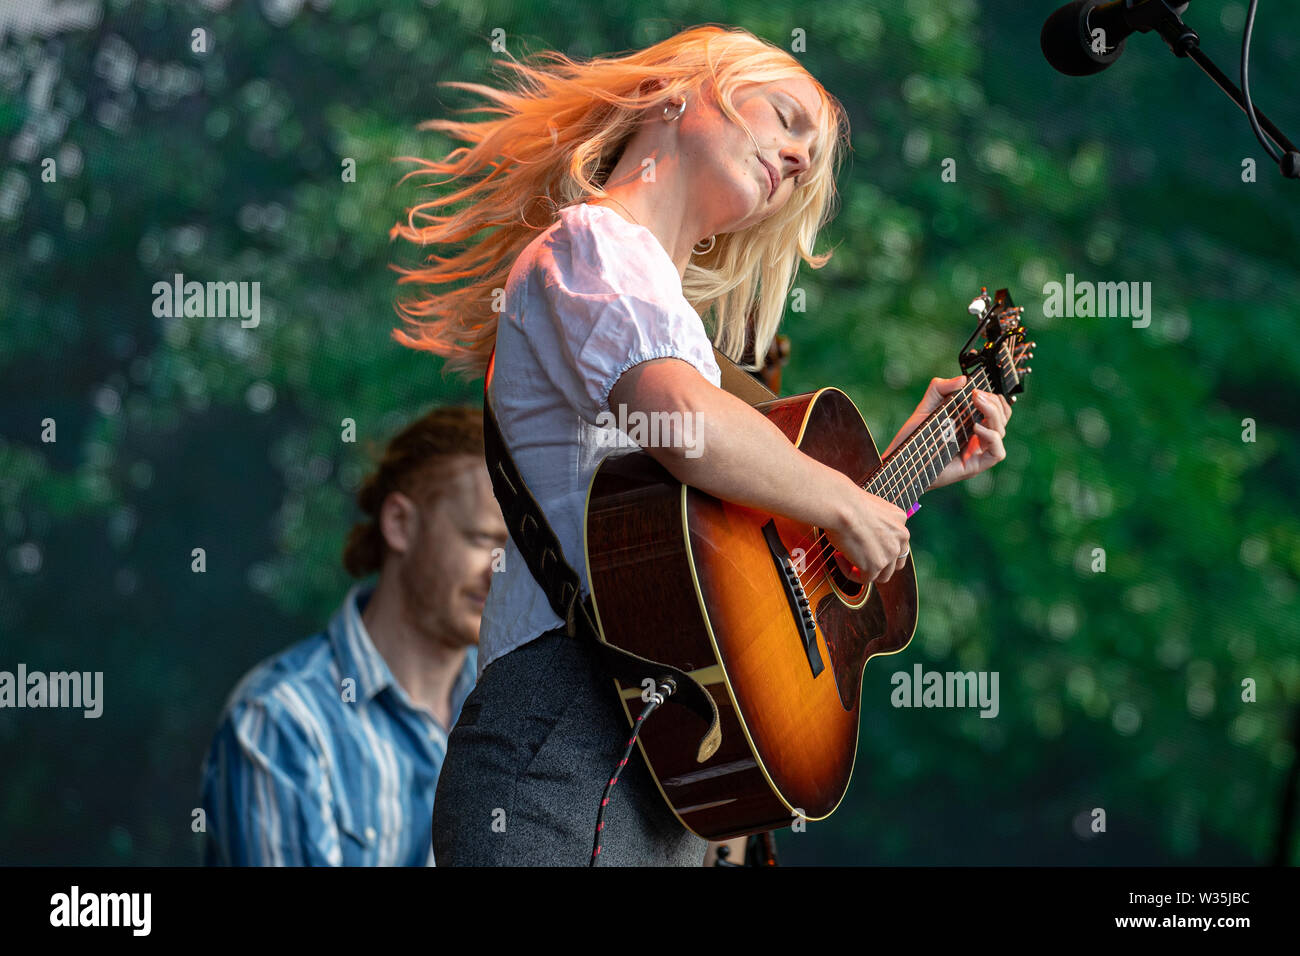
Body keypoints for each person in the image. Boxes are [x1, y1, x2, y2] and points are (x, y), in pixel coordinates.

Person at [389, 25, 1013, 866]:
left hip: (666, 748)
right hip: (571, 729)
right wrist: (844, 498)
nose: (797, 158)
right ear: (675, 95)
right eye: (786, 118)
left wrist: (907, 472)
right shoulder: (593, 245)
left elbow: (746, 546)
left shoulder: (666, 314)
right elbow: (681, 427)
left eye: (811, 157)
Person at [199, 406, 507, 865]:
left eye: (514, 549)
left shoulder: (511, 712)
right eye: (483, 539)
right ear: (400, 523)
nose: (501, 572)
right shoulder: (280, 721)